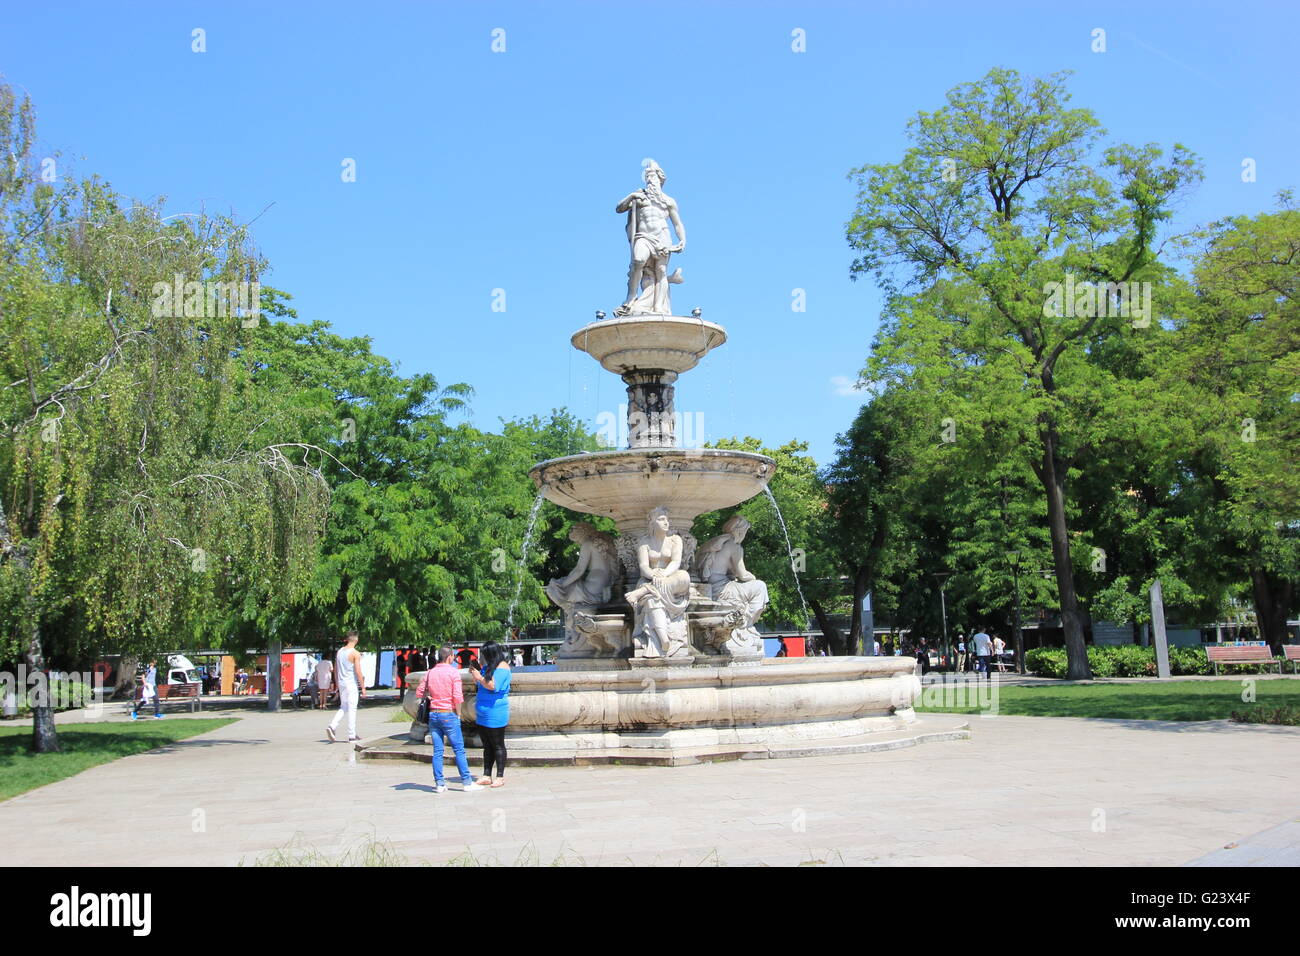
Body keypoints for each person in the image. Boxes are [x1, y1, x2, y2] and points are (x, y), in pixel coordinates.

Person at [416, 645, 484, 793]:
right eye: (453, 656)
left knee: (438, 751)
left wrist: (429, 695)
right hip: (449, 713)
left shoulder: (430, 673)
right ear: (449, 657)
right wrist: (458, 714)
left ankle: (439, 784)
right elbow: (457, 697)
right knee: (459, 749)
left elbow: (419, 692)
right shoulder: (453, 673)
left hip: (434, 714)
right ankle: (466, 782)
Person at [471, 641, 512, 788]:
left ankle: (500, 776)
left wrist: (479, 677)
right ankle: (486, 774)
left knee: (497, 744)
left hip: (495, 711)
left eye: (484, 654)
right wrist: (476, 673)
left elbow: (493, 686)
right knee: (487, 745)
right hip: (483, 711)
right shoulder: (488, 667)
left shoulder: (502, 667)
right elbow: (481, 685)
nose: (482, 657)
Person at [326, 631, 365, 742]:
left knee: (343, 707)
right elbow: (358, 671)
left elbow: (336, 668)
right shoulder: (355, 653)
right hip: (351, 683)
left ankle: (332, 726)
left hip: (342, 683)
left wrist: (337, 683)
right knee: (352, 708)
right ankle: (352, 735)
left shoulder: (340, 652)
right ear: (356, 640)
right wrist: (362, 687)